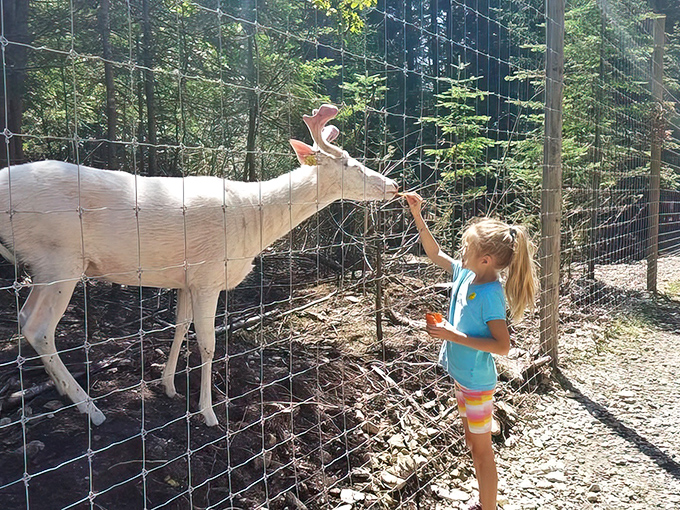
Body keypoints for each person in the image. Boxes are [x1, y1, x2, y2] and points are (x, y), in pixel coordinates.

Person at [402, 192, 537, 510]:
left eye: (466, 249)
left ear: (486, 260)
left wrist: (454, 335)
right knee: (473, 444)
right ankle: (483, 501)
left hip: (477, 384)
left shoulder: (490, 294)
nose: (460, 253)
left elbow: (503, 347)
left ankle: (488, 507)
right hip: (462, 378)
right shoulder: (465, 274)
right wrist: (417, 214)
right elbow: (434, 252)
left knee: (482, 450)